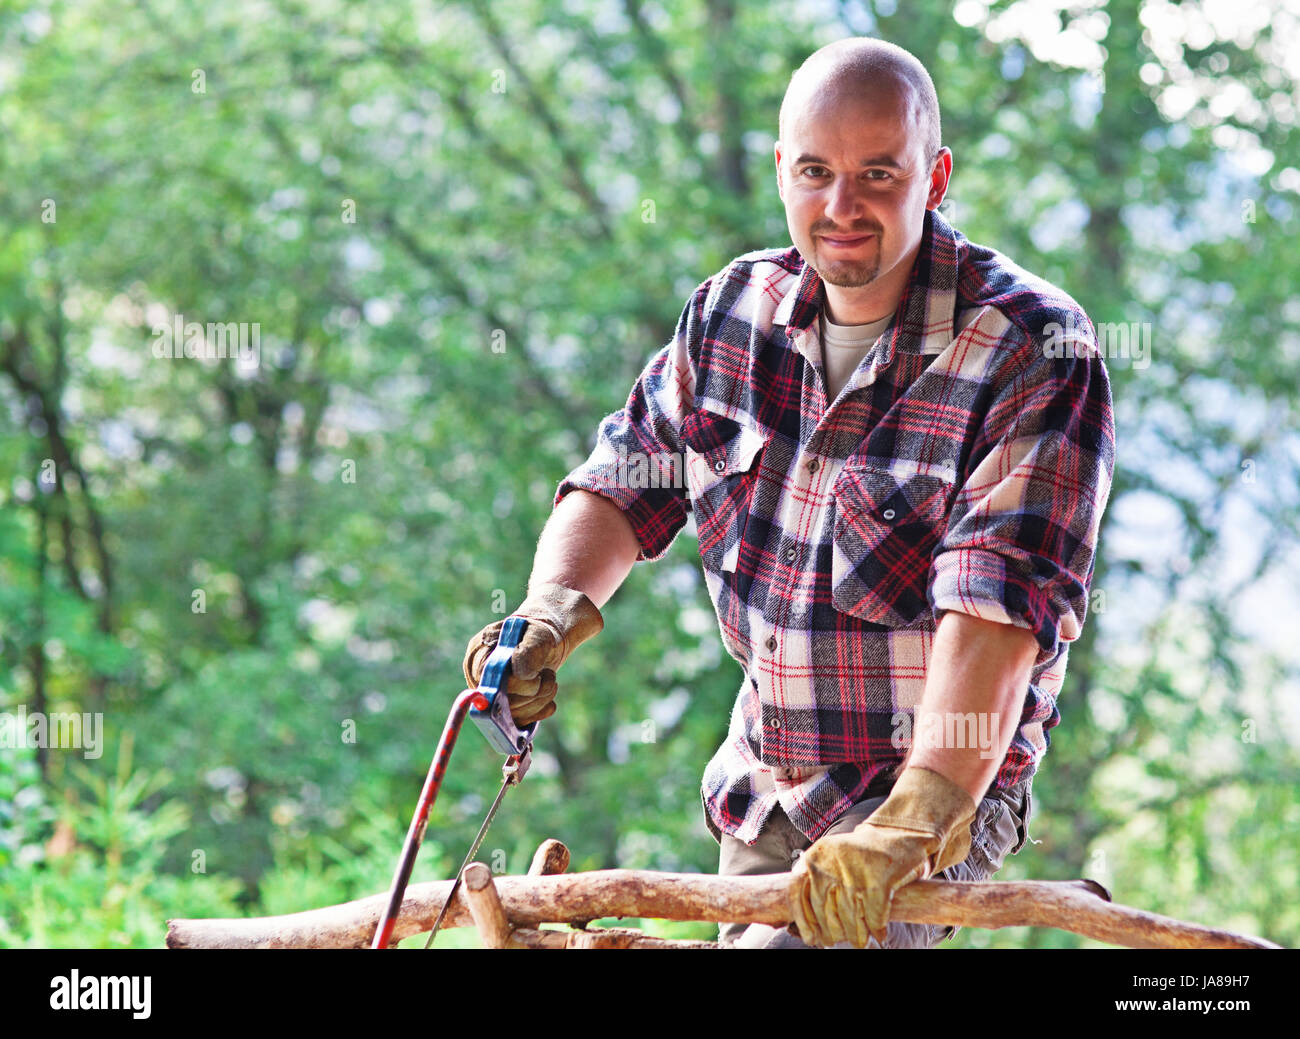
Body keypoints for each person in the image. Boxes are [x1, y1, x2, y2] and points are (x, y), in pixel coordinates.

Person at [463, 36, 1115, 948]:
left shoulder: (1034, 351)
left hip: (930, 788)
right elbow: (626, 476)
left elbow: (998, 610)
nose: (840, 207)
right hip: (763, 782)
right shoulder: (733, 313)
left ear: (936, 176)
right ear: (780, 169)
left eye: (878, 174)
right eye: (814, 171)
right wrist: (548, 614)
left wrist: (910, 824)